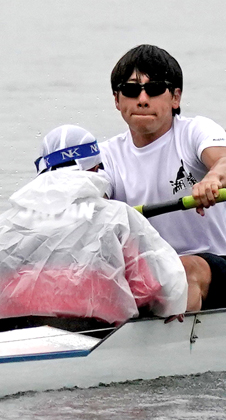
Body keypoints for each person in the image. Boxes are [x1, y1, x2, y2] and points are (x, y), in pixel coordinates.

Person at [100, 44, 226, 312]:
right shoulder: (107, 154)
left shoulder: (195, 131)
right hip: (149, 273)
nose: (142, 99)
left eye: (155, 88)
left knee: (180, 270)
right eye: (131, 90)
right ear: (117, 100)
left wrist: (212, 180)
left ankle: (170, 345)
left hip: (225, 269)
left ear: (175, 98)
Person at [0, 125, 187, 325]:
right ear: (95, 168)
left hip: (12, 331)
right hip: (94, 332)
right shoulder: (118, 215)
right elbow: (156, 288)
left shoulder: (6, 223)